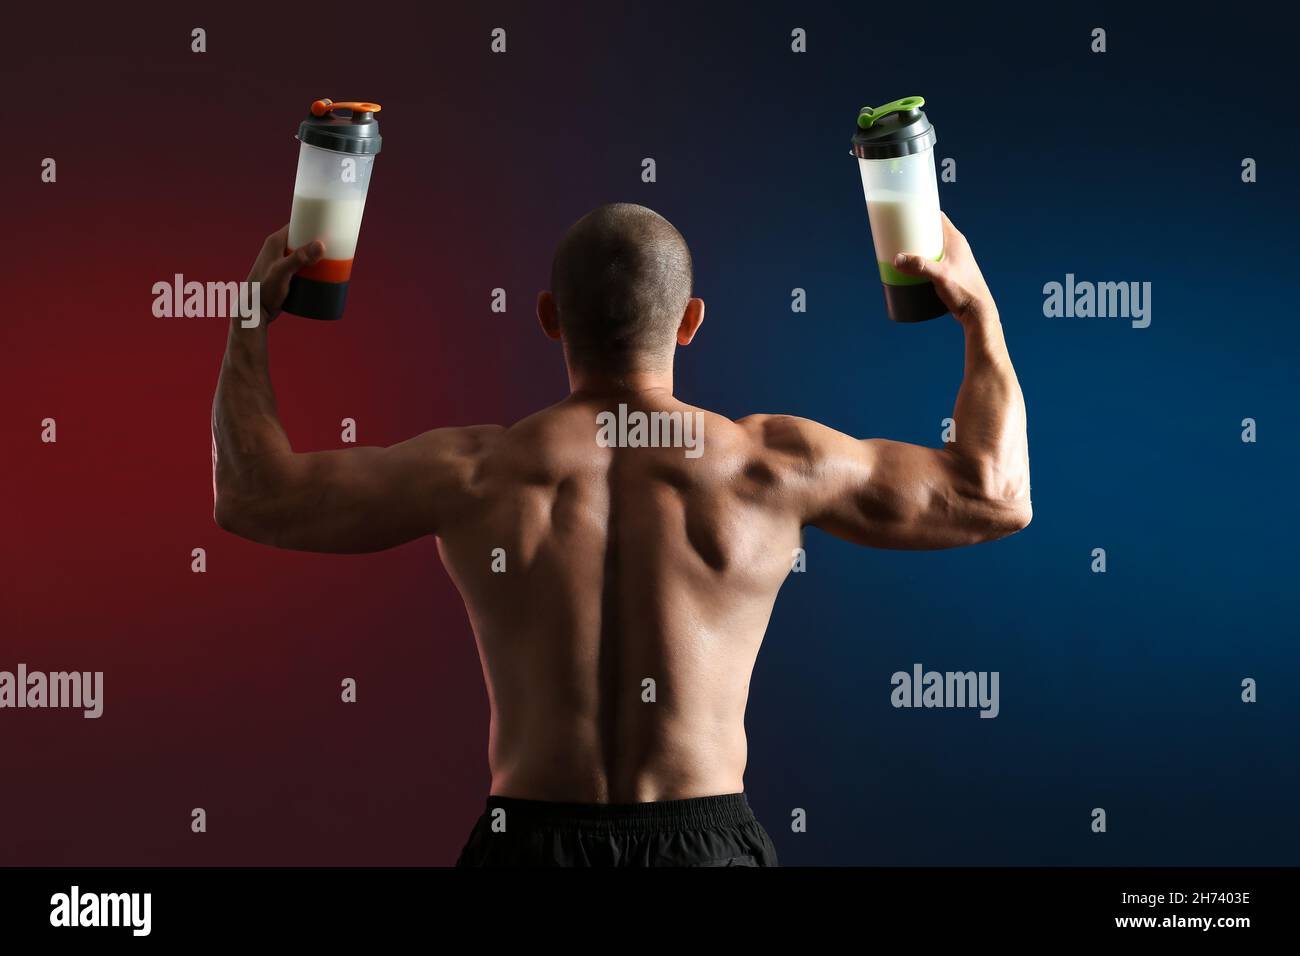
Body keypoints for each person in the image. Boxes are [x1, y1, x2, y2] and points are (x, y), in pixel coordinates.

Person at [212, 203, 1031, 866]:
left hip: (527, 843)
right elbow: (993, 496)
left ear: (548, 319)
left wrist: (251, 318)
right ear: (690, 322)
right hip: (703, 844)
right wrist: (977, 312)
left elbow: (253, 495)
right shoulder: (770, 466)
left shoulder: (475, 472)